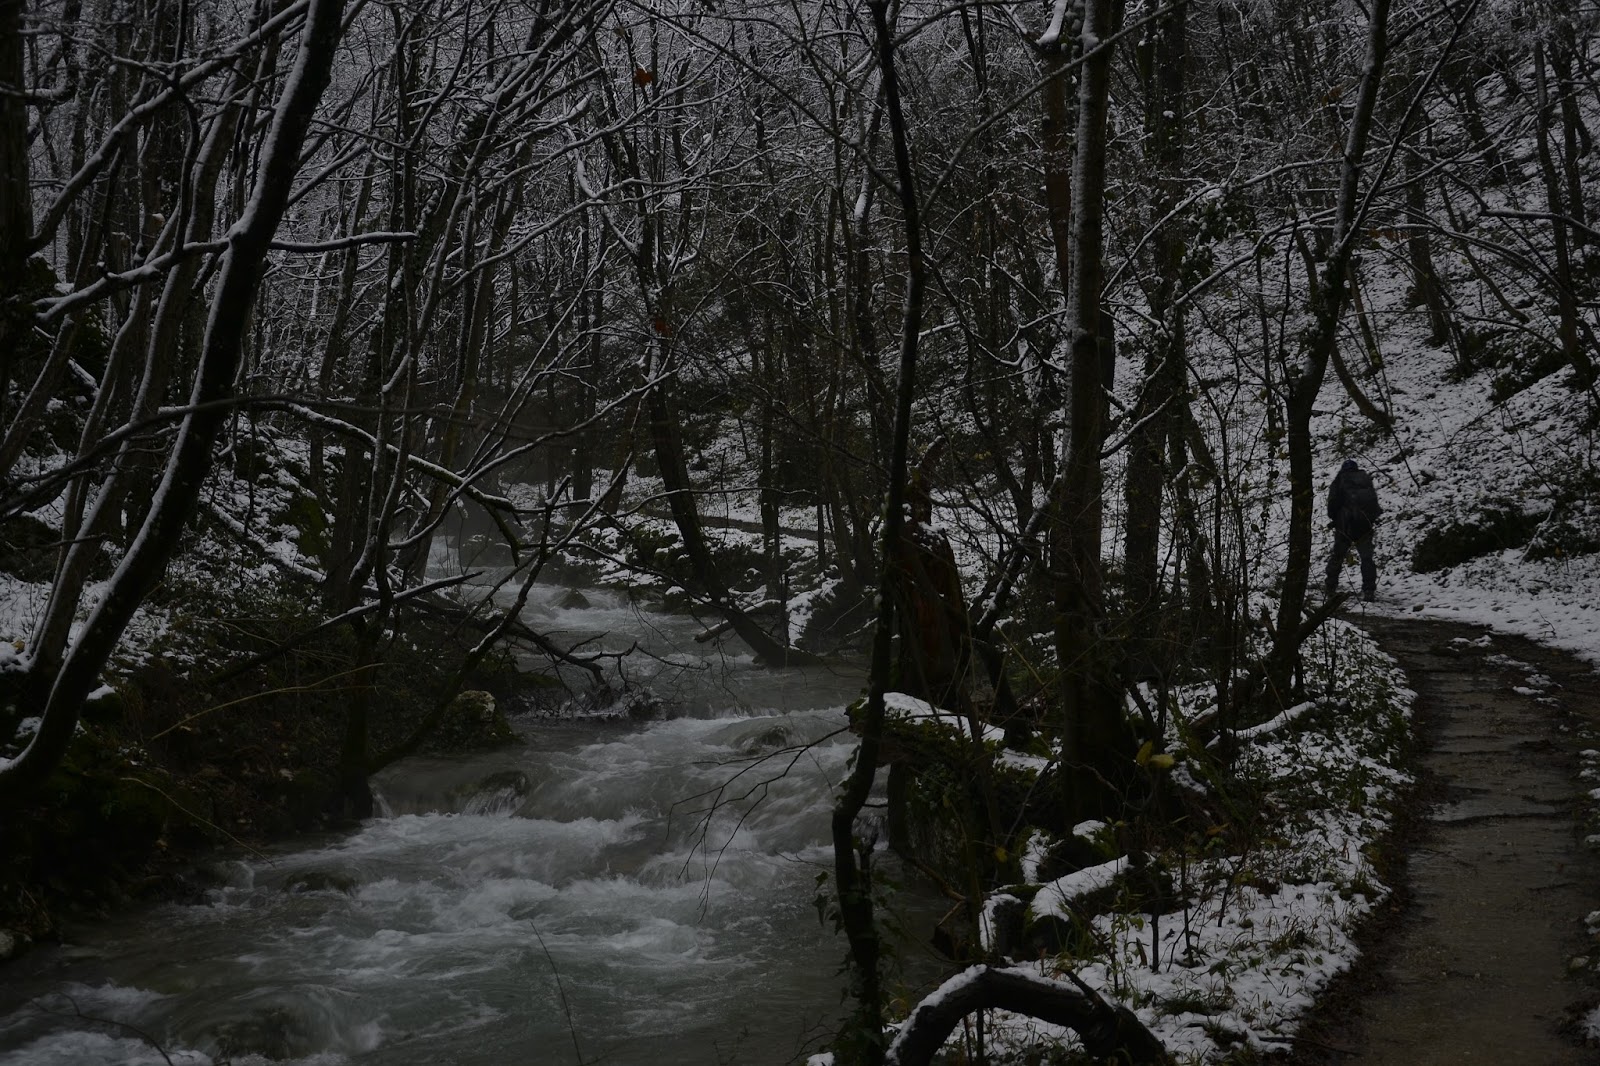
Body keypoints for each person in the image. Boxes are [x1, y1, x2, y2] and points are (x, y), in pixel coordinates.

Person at [1325, 459, 1382, 601]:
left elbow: (1332, 504)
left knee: (1338, 556)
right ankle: (1369, 590)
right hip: (1365, 526)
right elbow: (1374, 503)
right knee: (1367, 558)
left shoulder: (1340, 480)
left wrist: (1335, 519)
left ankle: (1330, 586)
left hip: (1345, 526)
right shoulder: (1365, 480)